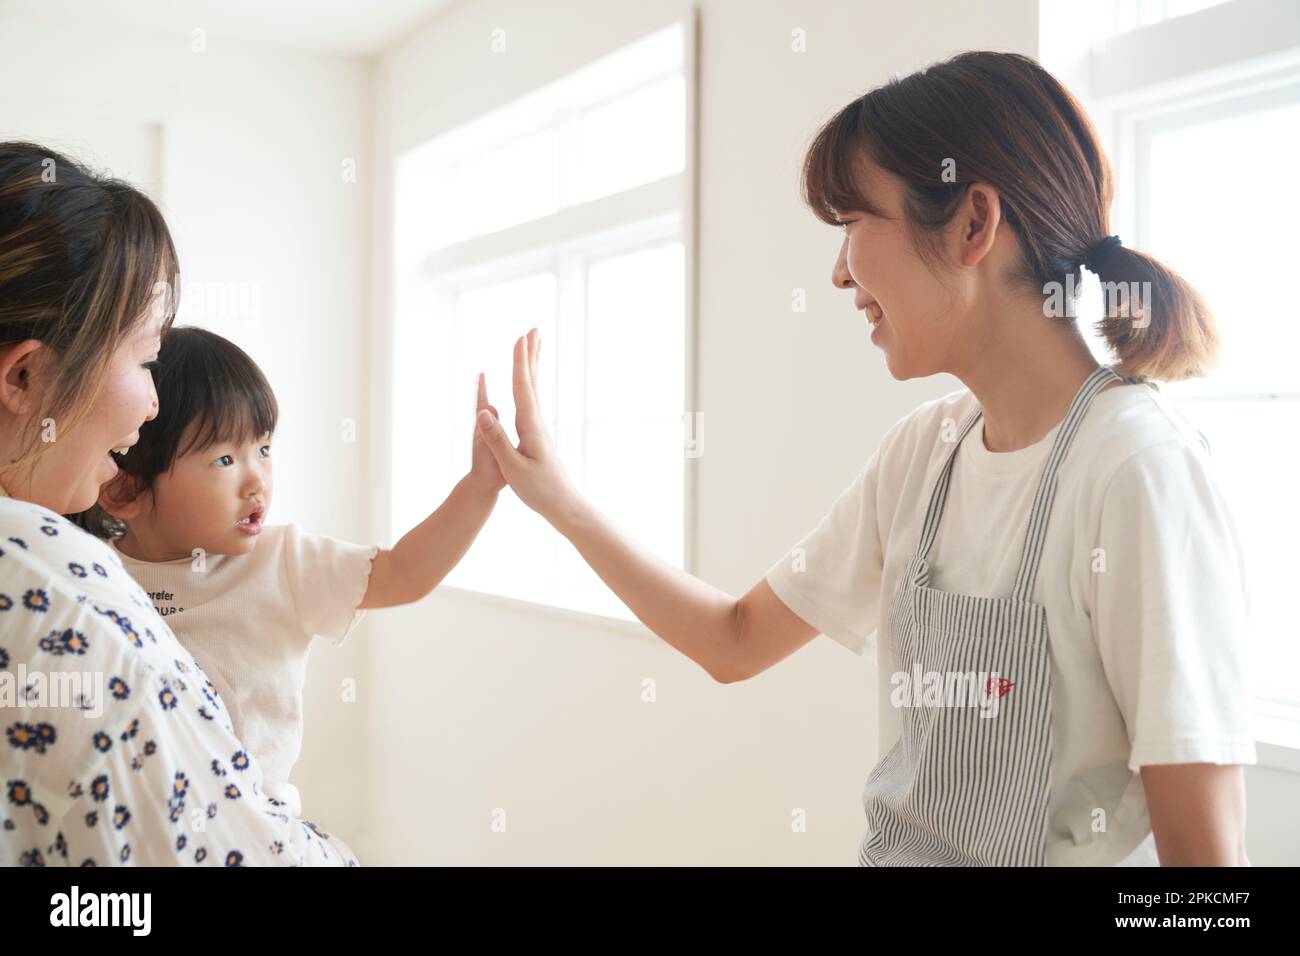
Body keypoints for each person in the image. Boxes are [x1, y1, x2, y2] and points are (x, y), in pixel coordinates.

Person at [473, 52, 1256, 866]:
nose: (840, 270)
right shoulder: (924, 453)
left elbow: (1207, 883)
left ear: (972, 224)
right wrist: (561, 502)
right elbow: (734, 640)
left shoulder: (1137, 472)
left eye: (853, 222)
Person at [1, 142, 345, 865]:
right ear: (25, 376)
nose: (151, 404)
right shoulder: (61, 589)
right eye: (145, 359)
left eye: (263, 448)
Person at [73, 325, 504, 823]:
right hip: (141, 828)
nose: (257, 479)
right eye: (225, 459)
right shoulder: (90, 569)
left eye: (264, 449)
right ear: (126, 490)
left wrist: (480, 488)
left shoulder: (284, 563)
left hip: (254, 830)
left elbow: (405, 572)